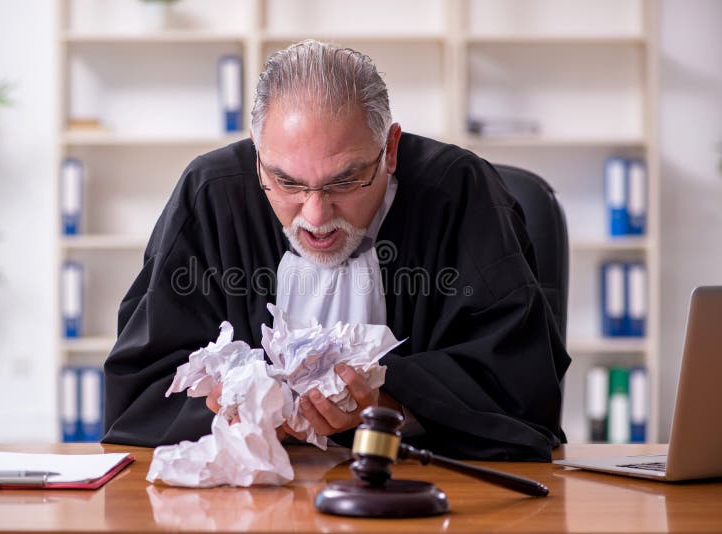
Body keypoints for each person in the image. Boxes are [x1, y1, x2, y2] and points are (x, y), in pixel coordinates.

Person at [102, 40, 570, 461]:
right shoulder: (210, 194)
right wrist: (226, 411)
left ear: (390, 149)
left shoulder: (463, 193)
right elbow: (140, 389)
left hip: (422, 492)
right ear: (257, 154)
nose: (316, 216)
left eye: (345, 180)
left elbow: (522, 389)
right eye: (287, 182)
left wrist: (391, 405)